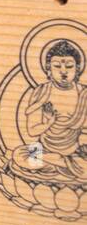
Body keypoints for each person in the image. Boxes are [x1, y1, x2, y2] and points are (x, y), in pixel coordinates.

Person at [12, 39, 87, 179]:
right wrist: (49, 123)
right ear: (48, 68)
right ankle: (63, 164)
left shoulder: (83, 94)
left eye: (69, 66)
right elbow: (32, 130)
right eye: (57, 66)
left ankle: (55, 166)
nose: (63, 71)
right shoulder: (41, 92)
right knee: (19, 155)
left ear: (77, 68)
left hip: (74, 151)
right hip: (44, 149)